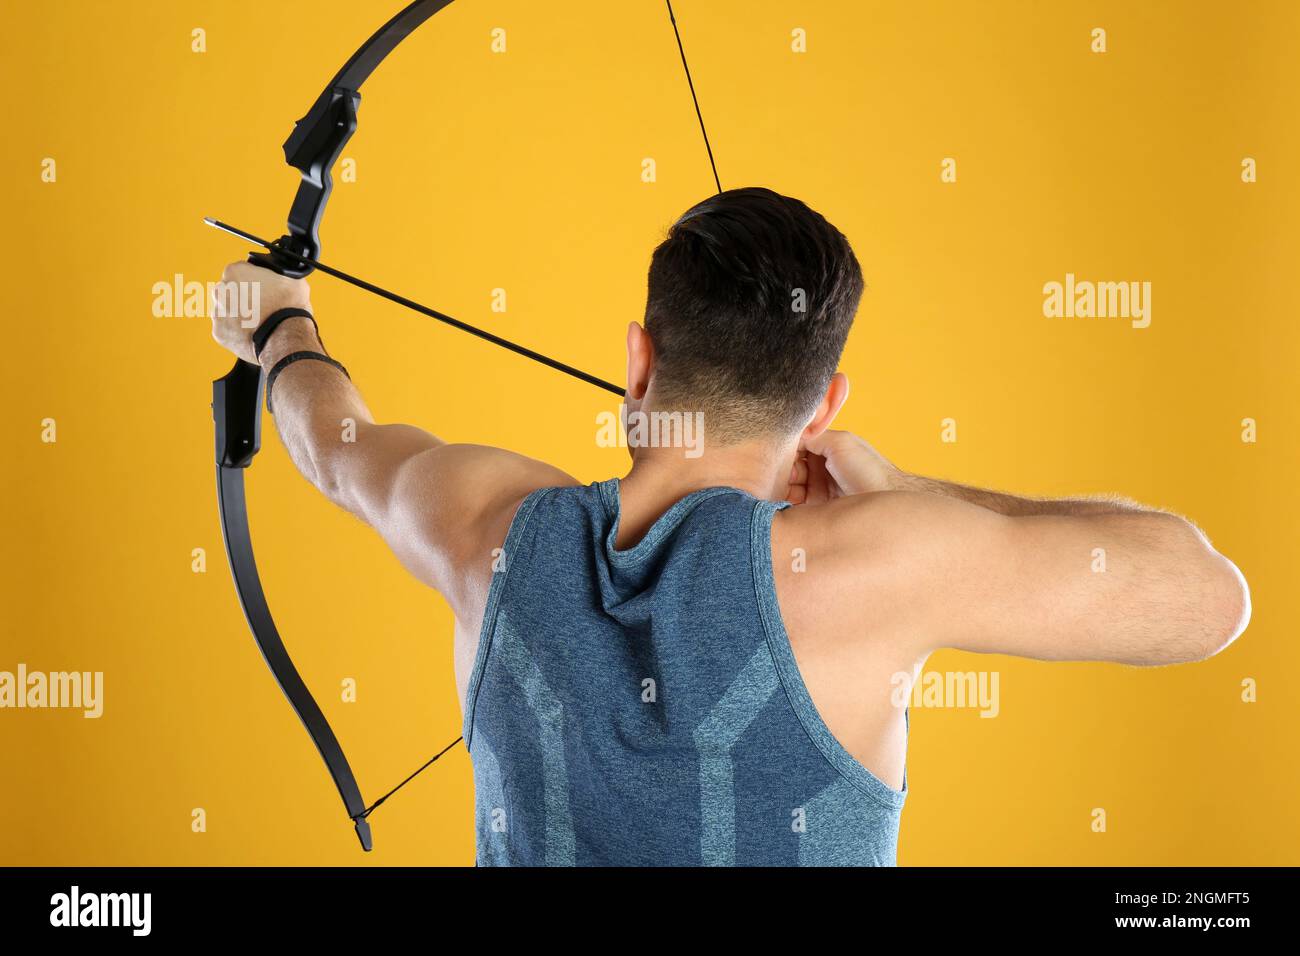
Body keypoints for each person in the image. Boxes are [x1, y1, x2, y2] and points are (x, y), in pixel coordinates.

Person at [211, 187, 1250, 866]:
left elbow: (333, 442)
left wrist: (279, 322)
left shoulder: (483, 519)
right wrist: (907, 488)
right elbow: (1209, 597)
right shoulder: (880, 563)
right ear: (825, 404)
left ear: (637, 361)